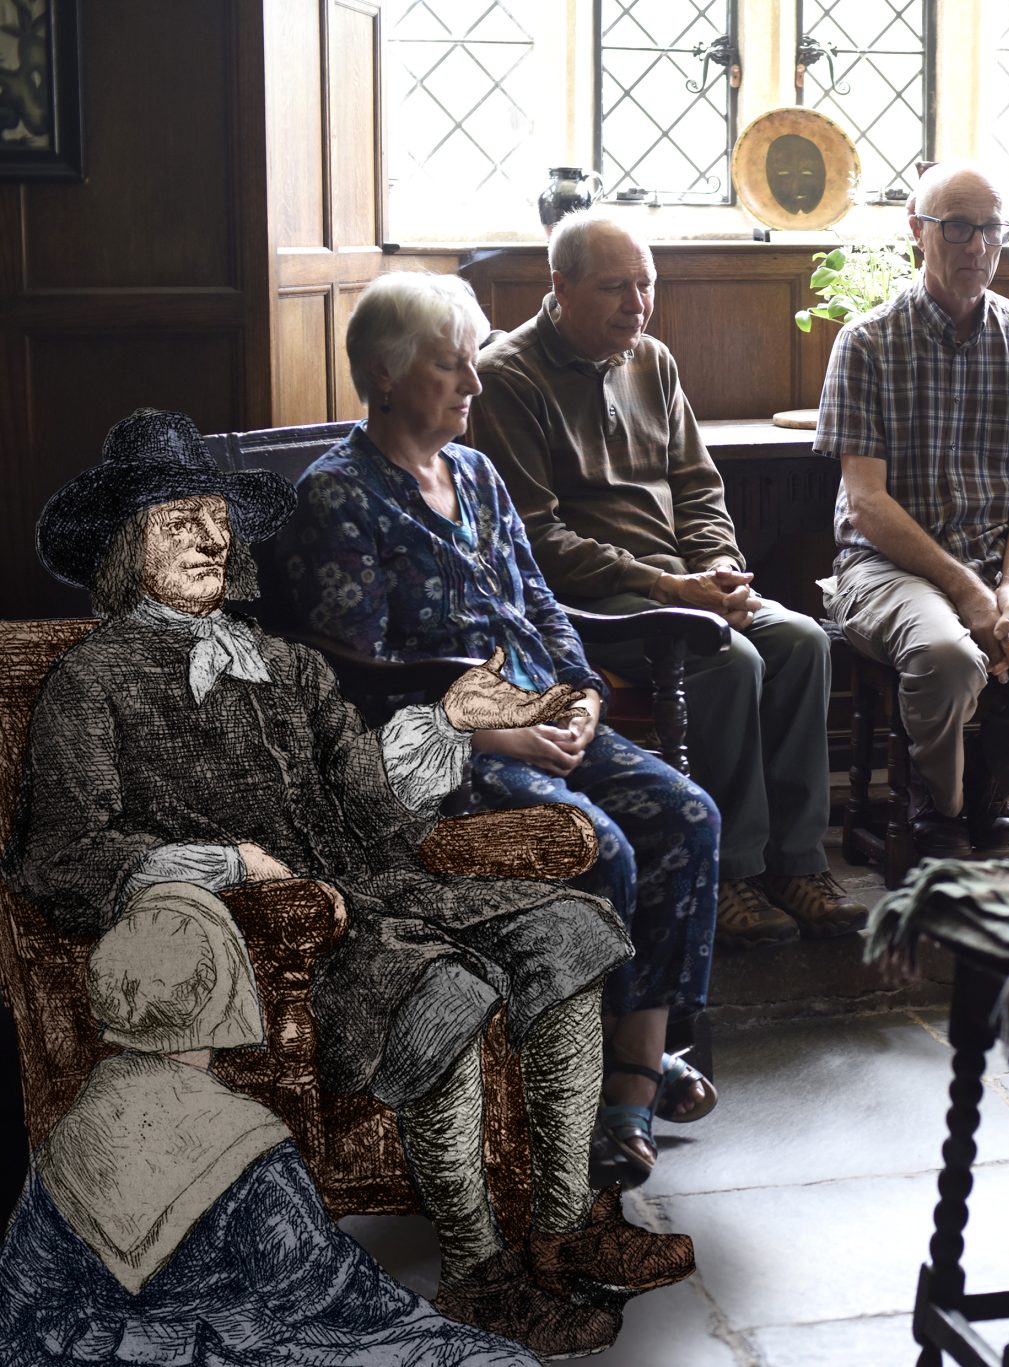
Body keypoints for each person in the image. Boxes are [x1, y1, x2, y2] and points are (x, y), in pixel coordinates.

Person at [8, 409, 697, 1357]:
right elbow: (63, 858)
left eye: (218, 517)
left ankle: (564, 1220)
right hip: (255, 942)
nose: (213, 538)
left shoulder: (284, 664)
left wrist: (450, 719)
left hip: (373, 892)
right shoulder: (92, 682)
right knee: (440, 988)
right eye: (180, 522)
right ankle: (479, 1271)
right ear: (128, 547)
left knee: (568, 926)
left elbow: (368, 803)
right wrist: (229, 864)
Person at [282, 271, 721, 1184]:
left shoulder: (476, 474)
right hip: (445, 750)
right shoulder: (340, 496)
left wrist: (581, 693)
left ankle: (632, 1070)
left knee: (686, 813)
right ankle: (600, 1084)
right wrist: (497, 736)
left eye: (473, 362)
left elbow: (542, 607)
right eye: (452, 367)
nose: (474, 385)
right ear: (388, 377)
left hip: (547, 716)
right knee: (597, 845)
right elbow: (351, 684)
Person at [470, 213, 863, 950]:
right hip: (593, 599)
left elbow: (698, 487)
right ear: (559, 287)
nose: (637, 304)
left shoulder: (652, 359)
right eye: (616, 287)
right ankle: (732, 873)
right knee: (729, 658)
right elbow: (537, 540)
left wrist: (717, 568)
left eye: (646, 284)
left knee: (806, 640)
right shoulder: (508, 378)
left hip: (680, 585)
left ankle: (799, 865)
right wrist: (668, 587)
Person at [0, 885, 540, 1367]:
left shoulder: (67, 1137)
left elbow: (24, 1299)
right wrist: (420, 1320)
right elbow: (326, 1291)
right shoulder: (244, 1138)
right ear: (218, 987)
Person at [814, 162, 1009, 858]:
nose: (976, 246)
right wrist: (969, 592)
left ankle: (1001, 794)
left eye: (991, 229)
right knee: (947, 654)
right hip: (886, 563)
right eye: (957, 227)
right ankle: (940, 811)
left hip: (1002, 554)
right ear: (917, 231)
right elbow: (866, 505)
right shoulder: (866, 342)